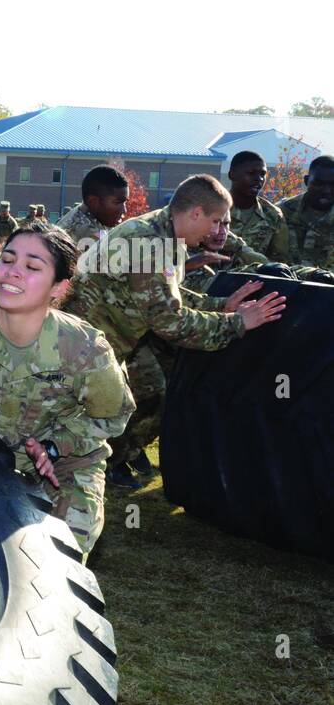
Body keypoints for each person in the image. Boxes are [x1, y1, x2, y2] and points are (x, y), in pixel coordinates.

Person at [63, 174, 286, 489]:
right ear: (196, 213)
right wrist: (239, 323)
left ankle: (108, 461)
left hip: (103, 338)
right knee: (92, 414)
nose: (220, 230)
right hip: (79, 348)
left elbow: (167, 294)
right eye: (217, 221)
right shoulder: (153, 244)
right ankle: (88, 471)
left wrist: (221, 305)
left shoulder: (163, 233)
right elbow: (170, 323)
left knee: (146, 395)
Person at [0, 224, 134, 558]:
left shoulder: (84, 349)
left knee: (62, 557)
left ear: (59, 287)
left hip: (66, 466)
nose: (13, 272)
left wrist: (54, 447)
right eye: (8, 259)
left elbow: (114, 415)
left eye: (33, 267)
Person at [226, 151, 288, 261]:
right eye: (251, 173)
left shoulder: (273, 215)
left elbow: (280, 260)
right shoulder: (212, 208)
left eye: (262, 174)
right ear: (232, 174)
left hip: (255, 276)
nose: (258, 179)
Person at [277, 155, 334, 269]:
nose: (327, 190)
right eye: (319, 184)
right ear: (307, 181)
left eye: (333, 184)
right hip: (287, 283)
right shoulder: (281, 211)